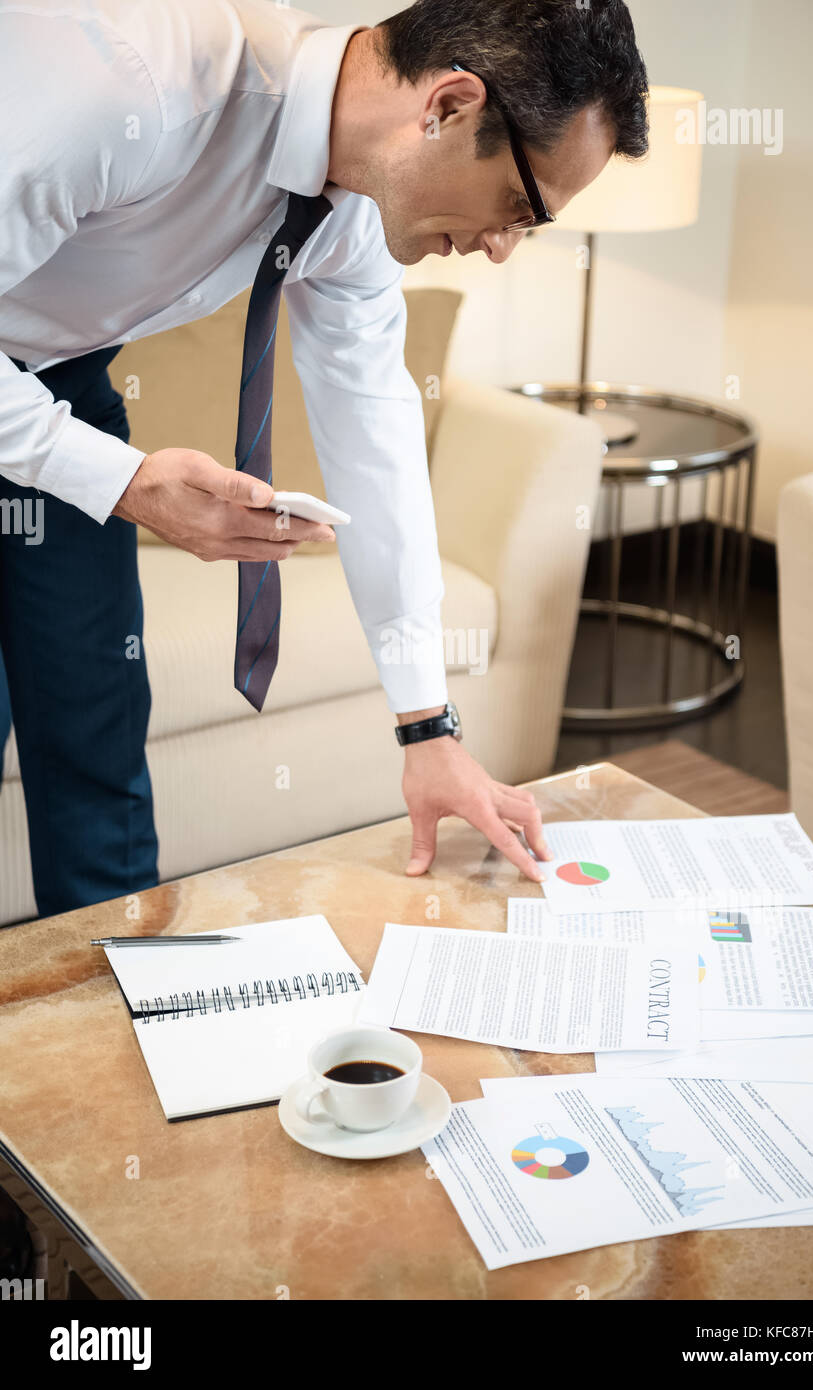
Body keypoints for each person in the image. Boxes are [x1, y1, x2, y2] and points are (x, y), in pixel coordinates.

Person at [0, 0, 649, 919]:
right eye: (519, 207)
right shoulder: (124, 81)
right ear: (451, 106)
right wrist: (125, 480)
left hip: (59, 383)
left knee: (96, 747)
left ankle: (128, 1035)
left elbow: (374, 438)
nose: (502, 250)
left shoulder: (353, 214)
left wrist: (427, 728)